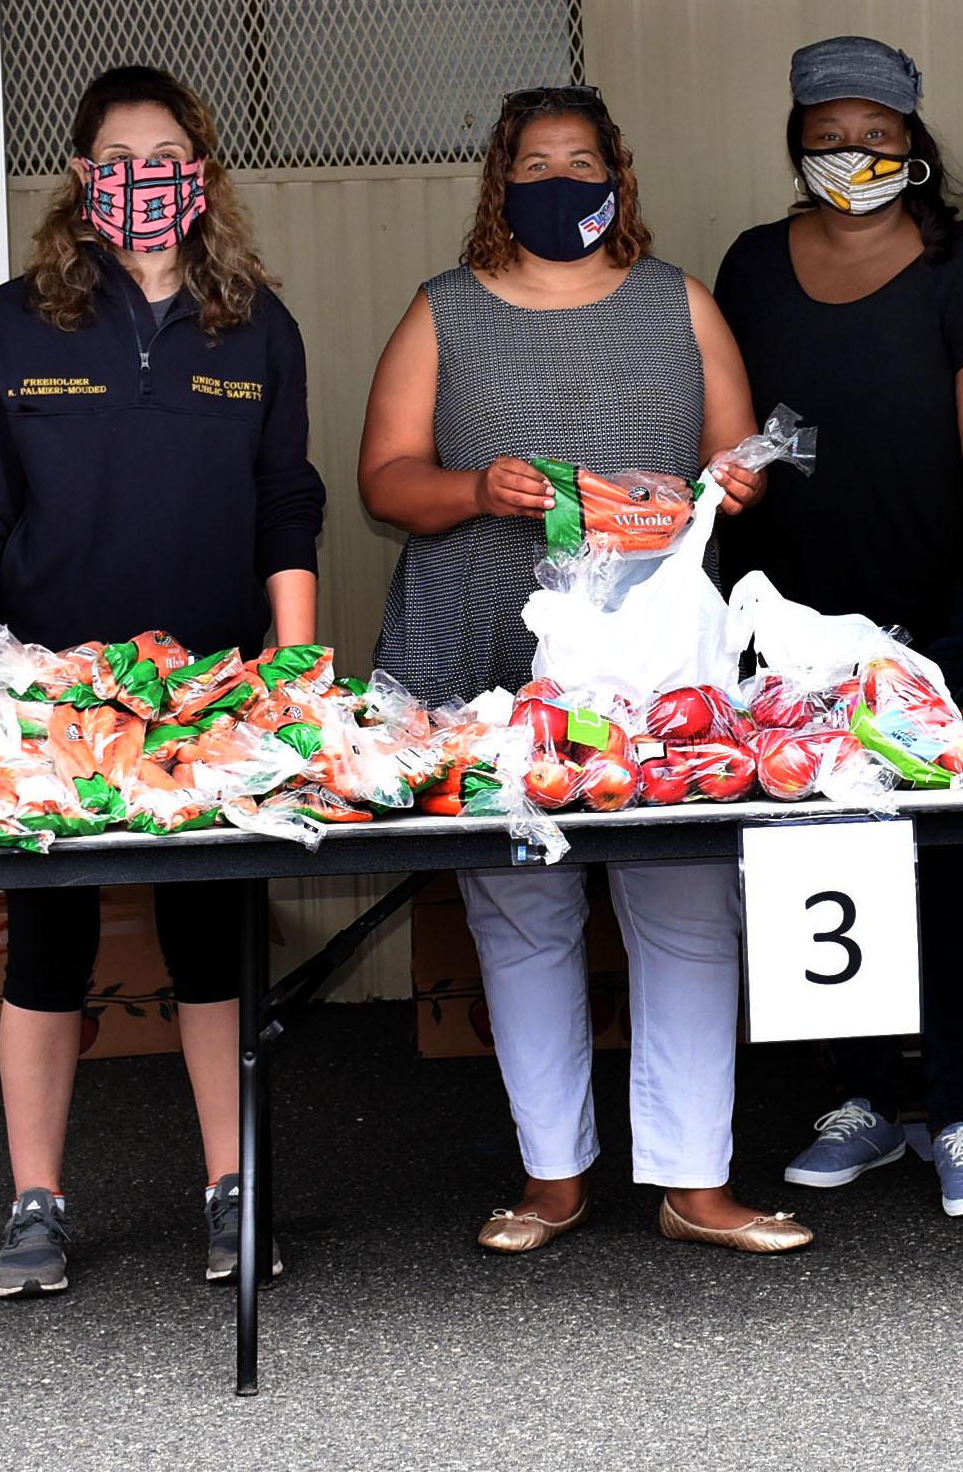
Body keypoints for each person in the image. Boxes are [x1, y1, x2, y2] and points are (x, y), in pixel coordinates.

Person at [359, 85, 809, 1256]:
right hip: (486, 643)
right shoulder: (443, 311)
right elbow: (383, 480)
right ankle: (551, 1174)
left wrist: (739, 477)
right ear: (501, 182)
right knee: (521, 909)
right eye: (535, 162)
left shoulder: (679, 303)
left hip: (650, 654)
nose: (561, 181)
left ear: (621, 175)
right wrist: (475, 489)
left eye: (581, 159)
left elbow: (737, 450)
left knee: (687, 905)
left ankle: (693, 1178)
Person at [0, 65, 327, 1298]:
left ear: (202, 173)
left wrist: (295, 668)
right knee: (50, 939)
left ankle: (229, 1187)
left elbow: (284, 510)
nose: (141, 178)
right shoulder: (10, 326)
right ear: (84, 176)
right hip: (50, 695)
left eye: (164, 155)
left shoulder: (257, 326)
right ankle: (35, 1201)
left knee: (213, 934)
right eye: (116, 157)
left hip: (208, 692)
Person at [714, 36, 963, 1217]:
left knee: (945, 869)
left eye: (876, 132)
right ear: (797, 141)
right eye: (829, 133)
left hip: (935, 621)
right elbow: (730, 431)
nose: (853, 153)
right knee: (820, 858)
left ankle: (959, 1110)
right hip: (787, 628)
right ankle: (858, 1096)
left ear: (915, 136)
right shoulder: (750, 266)